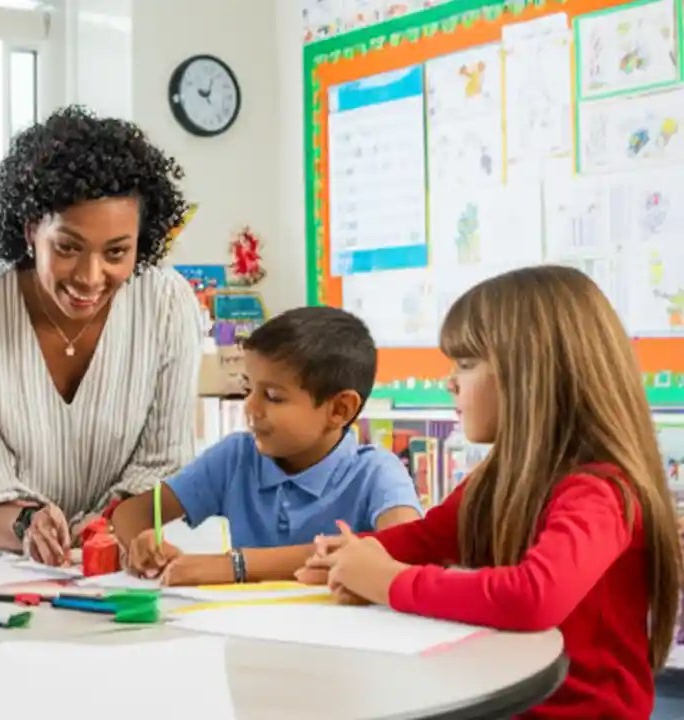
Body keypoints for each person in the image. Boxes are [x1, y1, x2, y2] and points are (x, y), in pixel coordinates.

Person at [304, 266, 680, 719]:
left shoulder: (600, 491)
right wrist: (346, 558)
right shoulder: (501, 478)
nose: (450, 382)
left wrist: (385, 580)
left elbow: (534, 596)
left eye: (465, 364)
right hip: (502, 699)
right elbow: (423, 540)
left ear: (532, 376)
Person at [0, 105, 200, 566]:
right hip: (0, 573)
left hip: (118, 563)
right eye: (68, 248)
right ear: (31, 228)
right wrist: (28, 526)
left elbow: (164, 469)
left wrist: (103, 531)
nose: (91, 277)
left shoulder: (168, 304)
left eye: (117, 252)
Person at [112, 306, 422, 585]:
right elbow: (130, 513)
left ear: (340, 410)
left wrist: (237, 565)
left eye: (273, 397)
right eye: (248, 388)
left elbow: (407, 547)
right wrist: (143, 541)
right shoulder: (236, 457)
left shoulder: (376, 472)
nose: (250, 407)